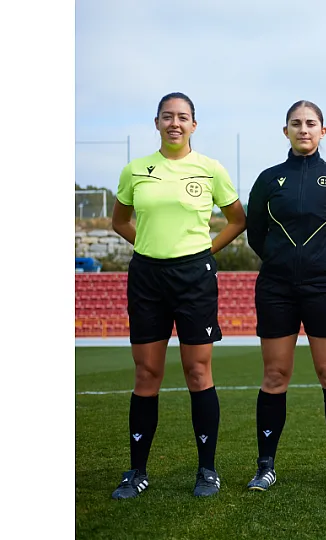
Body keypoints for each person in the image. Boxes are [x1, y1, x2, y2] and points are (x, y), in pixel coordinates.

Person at [110, 92, 246, 499]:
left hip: (194, 277)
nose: (175, 123)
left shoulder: (210, 169)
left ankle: (207, 470)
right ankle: (137, 472)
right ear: (156, 123)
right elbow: (120, 221)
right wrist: (149, 246)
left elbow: (238, 220)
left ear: (193, 125)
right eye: (167, 117)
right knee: (146, 373)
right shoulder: (136, 170)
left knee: (198, 372)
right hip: (147, 276)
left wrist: (203, 251)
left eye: (182, 117)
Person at [244, 100, 326, 493]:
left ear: (322, 131)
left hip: (324, 288)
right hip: (276, 289)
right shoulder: (268, 179)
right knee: (275, 375)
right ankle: (266, 465)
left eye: (311, 123)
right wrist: (283, 262)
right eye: (296, 124)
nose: (304, 129)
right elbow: (254, 234)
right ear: (285, 131)